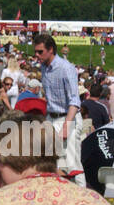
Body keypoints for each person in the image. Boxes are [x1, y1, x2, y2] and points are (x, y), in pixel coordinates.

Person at [33, 34, 83, 176]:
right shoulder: (44, 67)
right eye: (35, 52)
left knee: (72, 164)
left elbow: (74, 100)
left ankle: (82, 195)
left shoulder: (66, 68)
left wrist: (67, 126)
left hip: (68, 117)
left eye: (40, 52)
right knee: (52, 163)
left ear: (51, 50)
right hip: (52, 117)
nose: (37, 55)